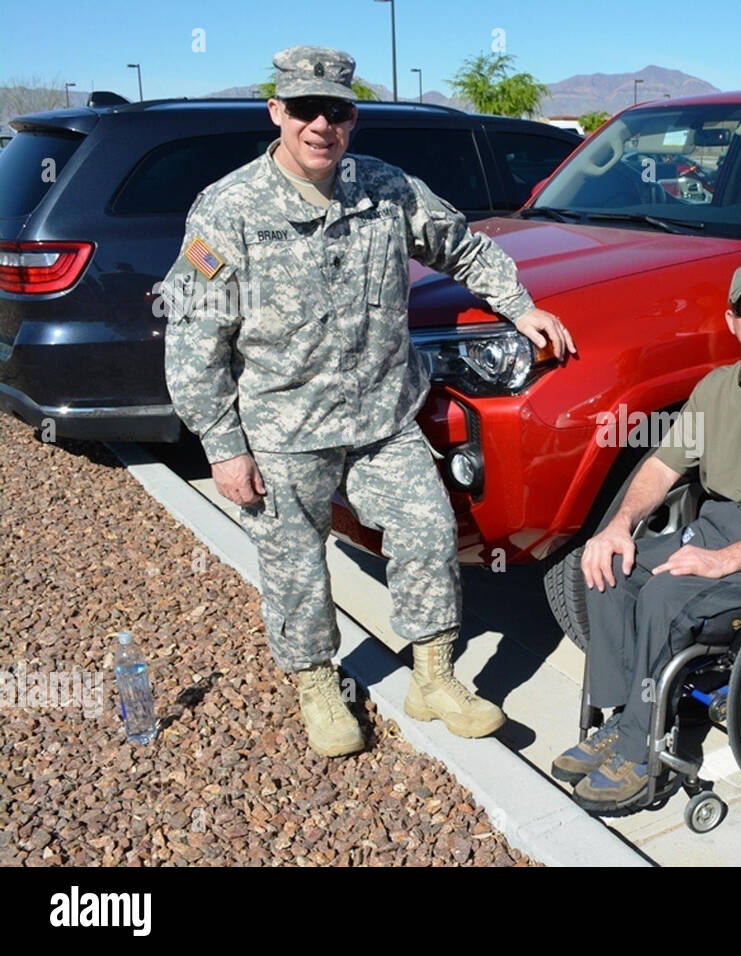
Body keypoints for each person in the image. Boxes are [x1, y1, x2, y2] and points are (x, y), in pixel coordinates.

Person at [162, 46, 574, 757]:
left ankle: (433, 674)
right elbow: (195, 337)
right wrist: (223, 446)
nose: (321, 124)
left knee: (428, 535)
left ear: (353, 119)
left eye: (338, 110)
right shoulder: (229, 208)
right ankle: (319, 683)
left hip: (382, 418)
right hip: (285, 429)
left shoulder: (387, 189)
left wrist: (520, 306)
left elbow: (464, 249)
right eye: (304, 109)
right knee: (296, 566)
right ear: (277, 113)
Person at [551, 257, 741, 814]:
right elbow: (661, 468)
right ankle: (623, 721)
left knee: (668, 595)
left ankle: (643, 752)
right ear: (732, 320)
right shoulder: (716, 388)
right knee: (604, 570)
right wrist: (617, 527)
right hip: (713, 524)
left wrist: (721, 562)